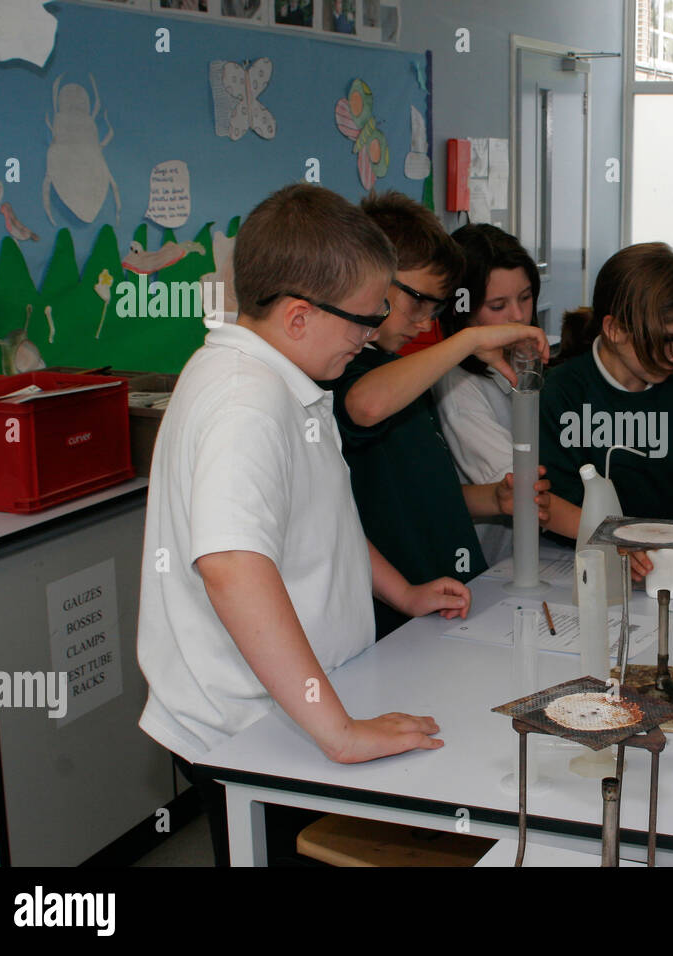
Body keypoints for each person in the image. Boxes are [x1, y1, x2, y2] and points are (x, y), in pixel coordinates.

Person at [136, 185, 463, 863]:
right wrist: (338, 730)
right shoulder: (244, 402)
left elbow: (322, 519)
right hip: (251, 723)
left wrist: (400, 593)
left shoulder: (287, 380)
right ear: (298, 316)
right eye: (363, 321)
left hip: (298, 703)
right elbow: (231, 566)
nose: (373, 336)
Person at [328, 192, 552, 637]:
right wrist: (468, 342)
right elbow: (366, 405)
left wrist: (493, 500)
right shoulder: (342, 369)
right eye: (418, 302)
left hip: (446, 596)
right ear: (370, 276)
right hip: (390, 614)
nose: (426, 322)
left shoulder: (402, 374)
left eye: (436, 309)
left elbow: (418, 492)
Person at [540, 242, 673, 581]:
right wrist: (620, 544)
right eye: (665, 342)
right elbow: (544, 502)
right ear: (615, 330)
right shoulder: (562, 392)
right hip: (574, 565)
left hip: (669, 570)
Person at [433, 223, 581, 564]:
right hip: (485, 564)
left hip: (535, 551)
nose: (518, 316)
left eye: (525, 297)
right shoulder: (457, 387)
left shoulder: (524, 355)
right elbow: (523, 492)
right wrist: (614, 537)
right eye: (498, 305)